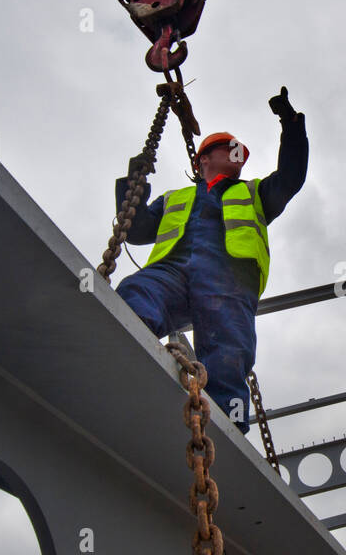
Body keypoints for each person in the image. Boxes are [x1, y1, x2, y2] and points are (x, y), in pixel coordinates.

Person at [115, 87, 307, 434]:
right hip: (171, 271)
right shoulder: (175, 197)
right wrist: (134, 182)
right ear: (203, 159)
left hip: (227, 277)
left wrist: (291, 126)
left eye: (240, 152)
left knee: (227, 351)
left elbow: (291, 177)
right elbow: (137, 229)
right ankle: (123, 350)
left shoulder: (254, 193)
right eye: (228, 148)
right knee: (136, 292)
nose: (237, 154)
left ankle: (227, 428)